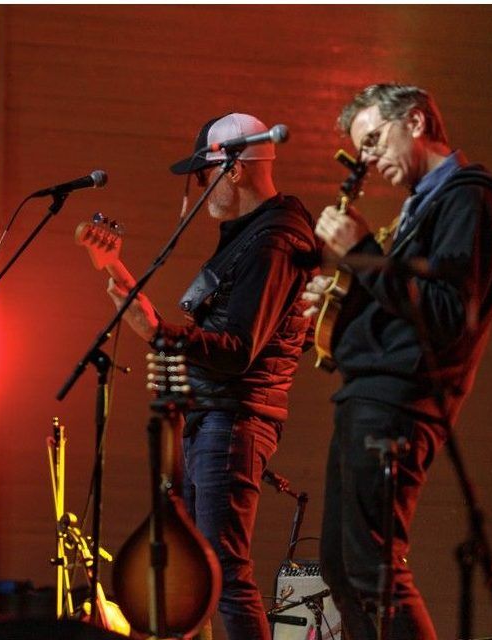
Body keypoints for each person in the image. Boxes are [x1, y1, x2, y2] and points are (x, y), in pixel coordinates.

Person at [301, 84, 492, 639]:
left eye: (372, 141)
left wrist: (364, 254)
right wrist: (340, 304)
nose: (366, 159)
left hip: (399, 403)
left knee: (374, 571)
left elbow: (444, 315)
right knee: (346, 573)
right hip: (368, 396)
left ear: (415, 122)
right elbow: (402, 308)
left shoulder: (471, 199)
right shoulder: (424, 206)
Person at [106, 113, 318, 639]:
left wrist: (160, 332)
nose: (200, 188)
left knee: (224, 572)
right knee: (207, 573)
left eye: (204, 175)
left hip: (234, 421)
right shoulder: (251, 236)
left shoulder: (273, 241)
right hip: (217, 418)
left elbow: (239, 351)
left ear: (234, 170)